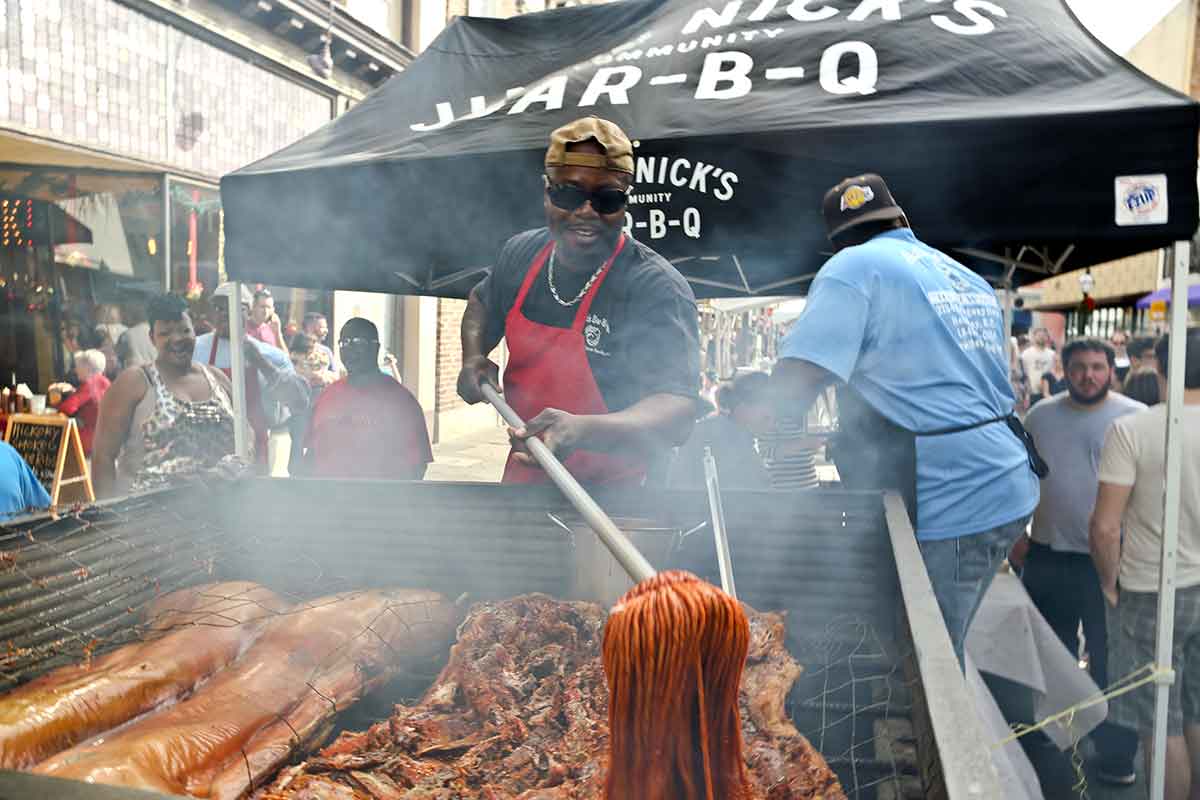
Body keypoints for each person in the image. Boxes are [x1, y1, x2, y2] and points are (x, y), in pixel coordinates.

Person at [772, 173, 1042, 667]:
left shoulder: (851, 267)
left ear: (838, 239)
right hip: (1007, 480)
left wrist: (751, 413)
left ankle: (955, 742)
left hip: (954, 495)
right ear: (900, 221)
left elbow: (797, 380)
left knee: (929, 658)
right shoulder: (962, 276)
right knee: (935, 637)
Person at [457, 117, 700, 485]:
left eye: (607, 199)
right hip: (527, 482)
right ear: (546, 191)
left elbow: (678, 410)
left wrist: (583, 430)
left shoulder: (654, 286)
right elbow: (481, 302)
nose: (586, 211)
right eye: (569, 194)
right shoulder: (521, 254)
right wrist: (473, 355)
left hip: (619, 498)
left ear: (625, 200)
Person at [1015, 337, 1144, 785]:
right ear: (1063, 370)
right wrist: (1018, 537)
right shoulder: (1039, 416)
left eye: (1096, 367)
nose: (1088, 375)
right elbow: (1022, 480)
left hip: (1114, 560)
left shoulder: (1135, 417)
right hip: (1048, 555)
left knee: (1112, 657)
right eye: (1079, 368)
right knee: (1052, 655)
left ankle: (1115, 753)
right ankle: (1056, 736)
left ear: (1112, 370)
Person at [1091, 329, 1200, 800]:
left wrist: (1108, 581)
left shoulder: (1133, 429)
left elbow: (1104, 527)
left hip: (1150, 588)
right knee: (1196, 709)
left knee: (1161, 719)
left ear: (1160, 365)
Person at [91, 294, 238, 498]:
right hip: (149, 517)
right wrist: (109, 520)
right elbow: (103, 457)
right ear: (152, 338)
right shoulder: (135, 382)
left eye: (184, 330)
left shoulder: (217, 378)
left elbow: (246, 442)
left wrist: (225, 472)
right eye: (165, 333)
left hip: (219, 514)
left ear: (194, 331)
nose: (177, 339)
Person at [300, 318, 432, 480]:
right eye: (344, 343)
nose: (349, 349)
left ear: (375, 347)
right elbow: (311, 454)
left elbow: (416, 468)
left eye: (358, 342)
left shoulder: (401, 402)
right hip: (327, 500)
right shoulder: (328, 394)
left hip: (375, 502)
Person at [194, 283, 309, 466]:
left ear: (248, 313)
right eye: (218, 308)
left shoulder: (271, 355)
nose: (224, 313)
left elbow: (299, 400)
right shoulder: (195, 350)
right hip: (205, 453)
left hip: (254, 453)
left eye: (232, 307)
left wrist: (262, 363)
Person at [669, 371, 772, 490]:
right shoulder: (730, 440)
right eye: (766, 417)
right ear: (743, 407)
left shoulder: (723, 431)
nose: (773, 422)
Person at [54, 349, 113, 457]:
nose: (76, 370)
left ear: (87, 368)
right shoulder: (105, 382)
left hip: (90, 440)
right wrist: (74, 392)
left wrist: (57, 398)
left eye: (78, 366)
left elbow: (67, 408)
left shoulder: (90, 384)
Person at [0, 440, 51, 518]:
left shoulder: (7, 452)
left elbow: (43, 507)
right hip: (19, 527)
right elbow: (44, 508)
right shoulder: (7, 451)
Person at [116, 303, 157, 370]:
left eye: (125, 314)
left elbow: (117, 358)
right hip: (156, 373)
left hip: (136, 373)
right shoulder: (155, 332)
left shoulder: (126, 335)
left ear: (131, 316)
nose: (123, 317)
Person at [1023, 328, 1056, 407]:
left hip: (1049, 393)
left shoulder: (1052, 355)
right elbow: (1025, 375)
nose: (1041, 337)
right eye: (1039, 335)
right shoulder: (1026, 354)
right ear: (1034, 337)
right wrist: (1026, 395)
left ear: (1048, 337)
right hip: (1033, 393)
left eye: (1044, 335)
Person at [249, 289, 288, 354]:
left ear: (273, 310)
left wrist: (278, 333)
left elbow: (285, 360)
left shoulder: (272, 330)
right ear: (253, 306)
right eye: (262, 307)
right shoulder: (244, 327)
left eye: (268, 307)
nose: (266, 311)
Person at [303, 312, 339, 377]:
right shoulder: (298, 348)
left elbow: (335, 374)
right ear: (310, 328)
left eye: (326, 327)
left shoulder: (326, 351)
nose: (326, 330)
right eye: (322, 327)